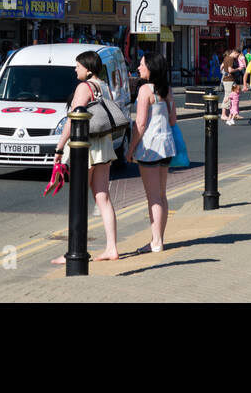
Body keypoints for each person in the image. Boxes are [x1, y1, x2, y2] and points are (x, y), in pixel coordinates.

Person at [53, 51, 119, 263]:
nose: (75, 69)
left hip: (86, 146)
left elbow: (73, 120)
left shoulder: (84, 87)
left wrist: (59, 147)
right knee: (103, 197)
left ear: (88, 68)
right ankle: (111, 248)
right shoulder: (104, 86)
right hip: (104, 144)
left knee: (78, 197)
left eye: (78, 66)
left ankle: (75, 250)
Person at [127, 50, 178, 253]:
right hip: (166, 145)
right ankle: (159, 238)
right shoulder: (167, 90)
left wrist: (130, 150)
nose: (139, 67)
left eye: (142, 64)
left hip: (149, 148)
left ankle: (156, 242)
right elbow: (173, 121)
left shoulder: (145, 91)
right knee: (162, 195)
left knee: (153, 197)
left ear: (151, 67)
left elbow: (140, 123)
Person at [220, 51, 240, 123]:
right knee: (228, 96)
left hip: (230, 79)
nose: (237, 57)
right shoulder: (231, 59)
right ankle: (223, 114)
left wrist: (224, 73)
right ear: (235, 53)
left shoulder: (226, 58)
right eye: (237, 55)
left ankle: (234, 113)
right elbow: (230, 70)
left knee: (235, 95)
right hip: (229, 80)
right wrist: (238, 69)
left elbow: (221, 67)